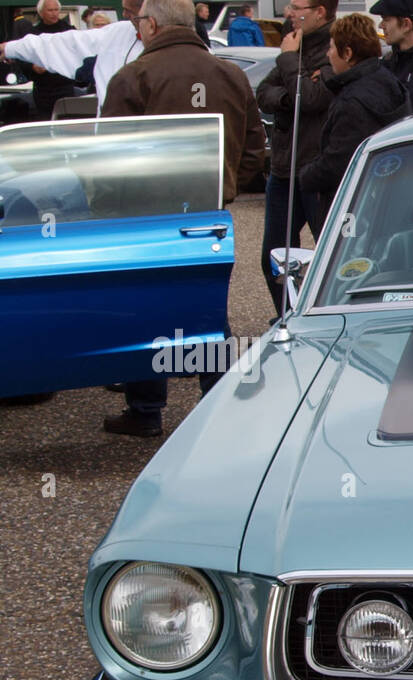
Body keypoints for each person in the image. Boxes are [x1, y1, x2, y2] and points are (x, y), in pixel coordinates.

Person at [99, 0, 265, 436]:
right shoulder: (230, 74)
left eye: (138, 22)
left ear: (151, 24)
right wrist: (224, 186)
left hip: (146, 214)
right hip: (209, 210)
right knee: (208, 309)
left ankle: (146, 409)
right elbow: (254, 149)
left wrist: (107, 212)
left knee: (143, 309)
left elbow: (109, 160)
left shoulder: (133, 77)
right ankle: (218, 403)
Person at [256, 0, 336, 310]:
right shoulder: (294, 43)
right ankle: (286, 316)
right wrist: (292, 94)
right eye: (289, 5)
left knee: (329, 254)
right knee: (274, 256)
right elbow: (263, 94)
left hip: (316, 169)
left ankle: (325, 317)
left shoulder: (333, 47)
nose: (290, 12)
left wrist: (289, 60)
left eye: (298, 6)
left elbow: (315, 98)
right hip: (283, 168)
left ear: (320, 11)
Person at [299, 14, 409, 224]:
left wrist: (306, 176)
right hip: (389, 200)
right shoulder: (390, 82)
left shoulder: (352, 101)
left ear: (347, 53)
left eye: (331, 48)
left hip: (354, 211)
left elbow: (338, 162)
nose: (328, 54)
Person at [0, 0, 146, 109]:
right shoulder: (118, 34)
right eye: (50, 10)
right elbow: (63, 44)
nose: (124, 15)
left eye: (129, 11)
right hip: (44, 92)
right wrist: (12, 50)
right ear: (41, 12)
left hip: (65, 89)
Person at [10, 0, 79, 121]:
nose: (54, 13)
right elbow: (22, 59)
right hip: (43, 89)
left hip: (65, 85)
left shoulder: (70, 31)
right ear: (41, 13)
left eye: (56, 10)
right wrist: (33, 67)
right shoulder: (33, 34)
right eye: (50, 10)